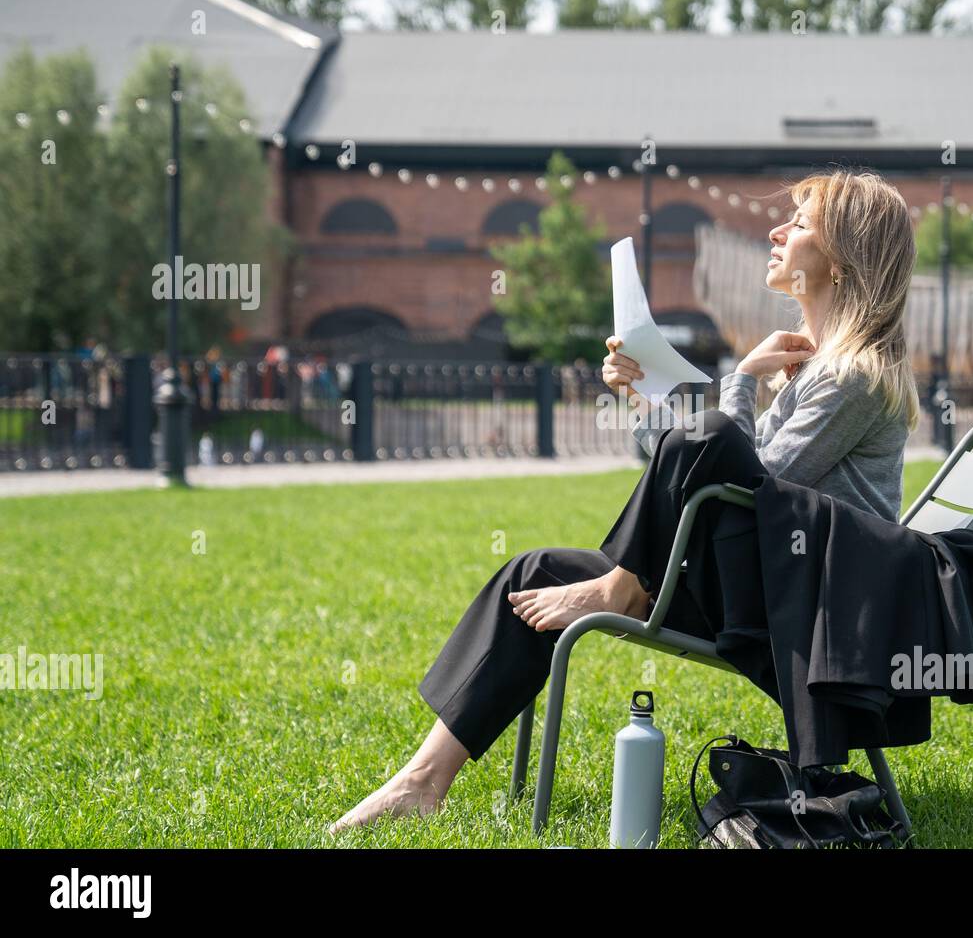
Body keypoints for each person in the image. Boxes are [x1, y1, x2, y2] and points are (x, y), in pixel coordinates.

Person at [328, 169, 922, 834]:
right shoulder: (816, 370)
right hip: (758, 583)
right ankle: (422, 780)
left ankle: (620, 585)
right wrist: (647, 400)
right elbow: (706, 479)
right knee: (534, 575)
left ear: (840, 261)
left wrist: (740, 384)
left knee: (714, 433)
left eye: (801, 224)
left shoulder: (854, 377)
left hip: (810, 616)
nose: (777, 232)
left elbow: (762, 484)